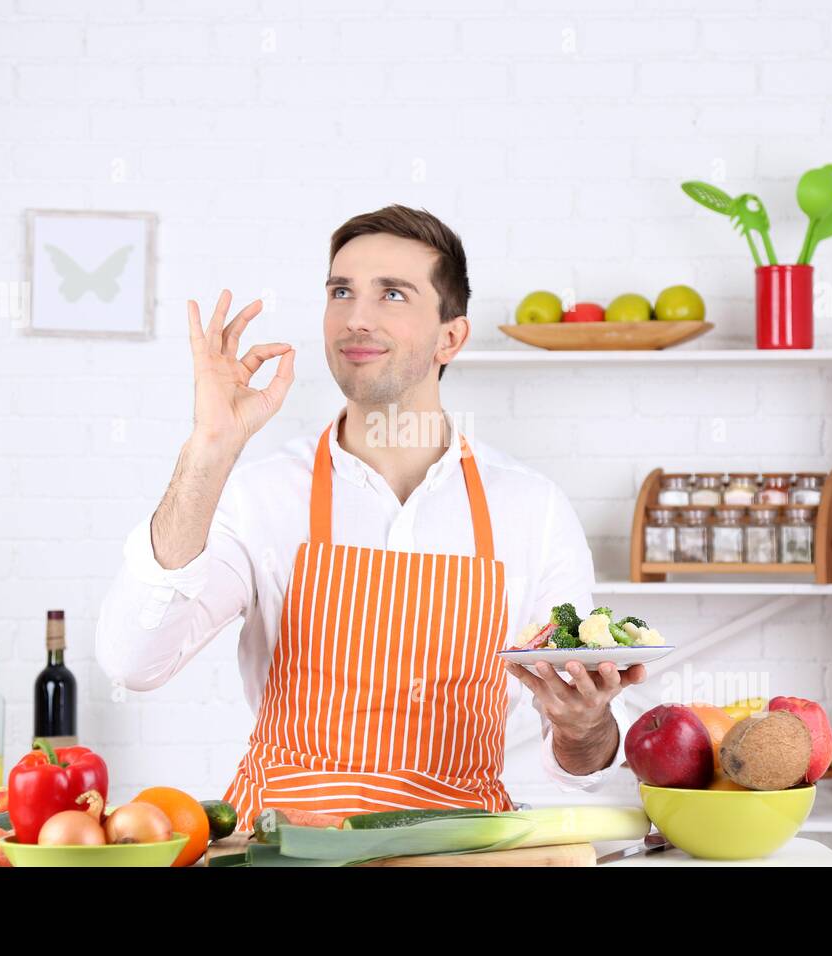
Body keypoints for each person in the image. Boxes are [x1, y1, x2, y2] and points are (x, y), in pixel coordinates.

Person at [96, 204, 645, 829]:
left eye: (391, 294)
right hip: (285, 847)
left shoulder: (532, 508)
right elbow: (133, 663)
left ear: (451, 337)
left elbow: (585, 757)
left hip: (455, 850)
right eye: (341, 291)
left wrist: (586, 724)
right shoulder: (260, 494)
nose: (356, 317)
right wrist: (208, 450)